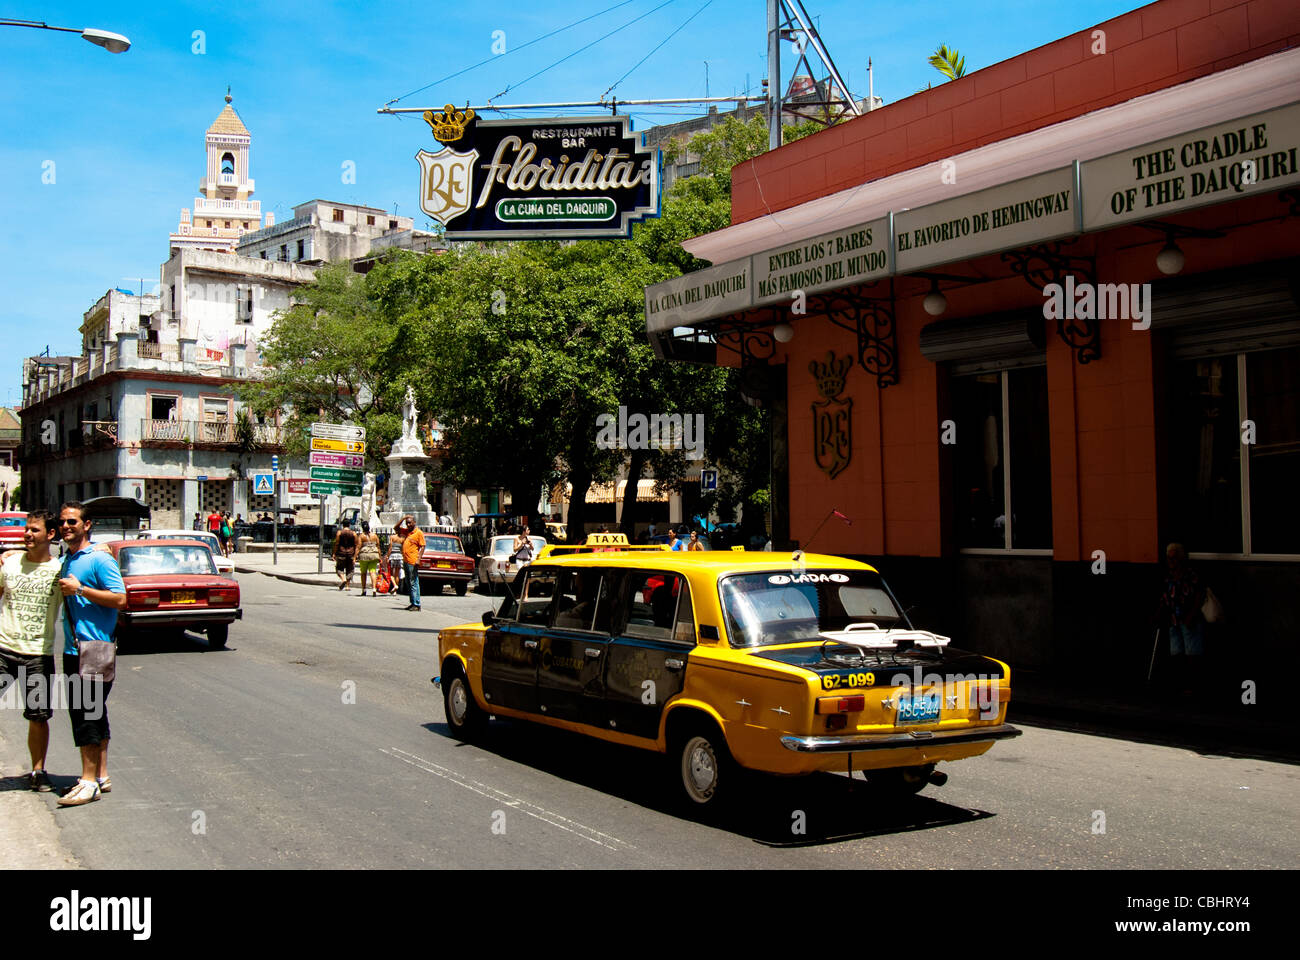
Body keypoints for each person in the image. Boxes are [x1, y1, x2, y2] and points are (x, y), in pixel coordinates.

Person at [55, 501, 126, 807]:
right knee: (95, 711)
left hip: (94, 647)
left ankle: (87, 782)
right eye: (63, 522)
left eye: (73, 522)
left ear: (87, 526)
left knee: (85, 715)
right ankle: (101, 775)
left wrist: (80, 590)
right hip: (76, 648)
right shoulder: (68, 559)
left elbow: (120, 598)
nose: (67, 526)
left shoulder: (99, 559)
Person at [0, 509, 64, 792]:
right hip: (3, 649)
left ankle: (38, 771)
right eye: (26, 529)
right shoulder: (10, 564)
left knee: (38, 717)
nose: (27, 534)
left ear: (50, 534)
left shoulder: (60, 570)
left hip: (38, 654)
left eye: (34, 530)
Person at [1158, 542, 1205, 695]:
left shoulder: (1190, 575)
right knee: (1176, 652)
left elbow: (1199, 595)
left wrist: (1192, 613)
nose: (1171, 562)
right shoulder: (1168, 576)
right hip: (1173, 618)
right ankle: (1179, 683)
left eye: (1174, 558)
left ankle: (1192, 685)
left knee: (1192, 653)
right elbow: (1164, 596)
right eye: (1169, 559)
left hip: (1188, 617)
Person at [397, 516, 425, 611]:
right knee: (409, 582)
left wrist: (418, 559)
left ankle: (417, 604)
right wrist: (403, 518)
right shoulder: (407, 532)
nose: (408, 525)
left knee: (413, 582)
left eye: (409, 523)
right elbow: (396, 528)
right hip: (406, 560)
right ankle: (412, 602)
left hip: (412, 561)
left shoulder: (418, 533)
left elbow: (422, 547)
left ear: (414, 522)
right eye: (407, 523)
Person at [356, 521, 382, 596]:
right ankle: (374, 588)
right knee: (372, 572)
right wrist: (380, 557)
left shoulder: (361, 536)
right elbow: (378, 546)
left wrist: (355, 557)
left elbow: (358, 547)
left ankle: (364, 589)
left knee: (363, 573)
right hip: (374, 555)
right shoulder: (375, 535)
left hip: (364, 555)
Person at [332, 519, 357, 592]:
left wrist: (334, 553)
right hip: (350, 553)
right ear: (349, 525)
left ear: (343, 525)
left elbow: (337, 543)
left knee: (339, 568)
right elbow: (356, 544)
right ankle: (347, 586)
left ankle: (343, 579)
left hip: (341, 553)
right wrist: (355, 555)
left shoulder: (339, 533)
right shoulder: (353, 533)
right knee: (350, 569)